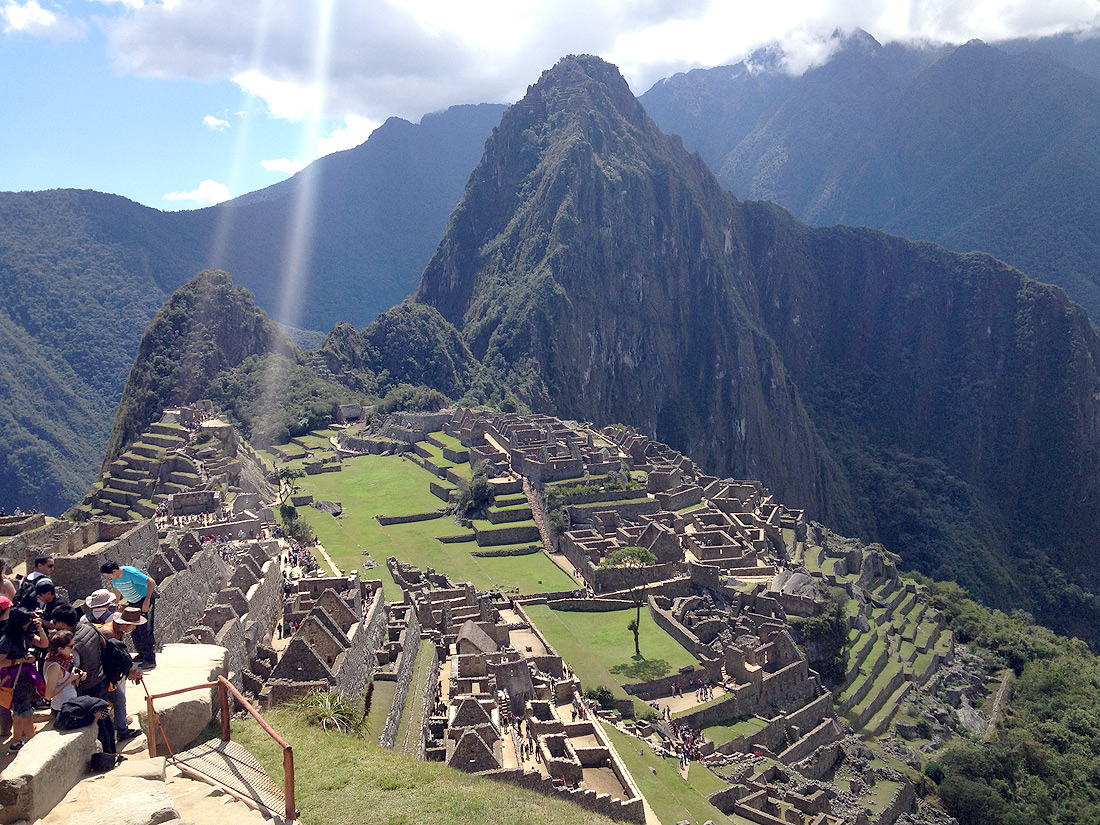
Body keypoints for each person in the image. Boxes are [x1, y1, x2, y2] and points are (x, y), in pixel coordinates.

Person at [0, 607, 48, 751]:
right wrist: (20, 661)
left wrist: (40, 629)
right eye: (26, 622)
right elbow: (0, 662)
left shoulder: (25, 635)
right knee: (25, 710)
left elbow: (44, 644)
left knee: (21, 712)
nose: (28, 625)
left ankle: (17, 741)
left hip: (26, 679)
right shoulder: (6, 640)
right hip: (13, 681)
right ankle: (30, 742)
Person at [96, 606, 146, 743]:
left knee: (118, 698)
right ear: (125, 624)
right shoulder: (107, 634)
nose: (134, 629)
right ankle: (113, 730)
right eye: (133, 626)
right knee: (111, 700)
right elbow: (109, 661)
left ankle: (121, 728)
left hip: (110, 675)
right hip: (100, 676)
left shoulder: (118, 632)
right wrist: (128, 672)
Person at [100, 561, 157, 666]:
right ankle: (141, 653)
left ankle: (150, 659)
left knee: (145, 629)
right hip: (132, 603)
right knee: (133, 628)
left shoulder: (131, 573)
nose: (108, 577)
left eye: (109, 575)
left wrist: (147, 600)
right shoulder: (115, 578)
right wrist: (117, 602)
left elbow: (150, 582)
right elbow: (116, 590)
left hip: (143, 600)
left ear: (114, 571)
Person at [42, 630, 83, 712]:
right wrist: (70, 679)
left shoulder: (63, 660)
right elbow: (49, 695)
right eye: (70, 646)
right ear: (60, 649)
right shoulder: (54, 666)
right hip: (63, 709)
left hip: (70, 705)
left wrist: (78, 676)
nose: (73, 648)